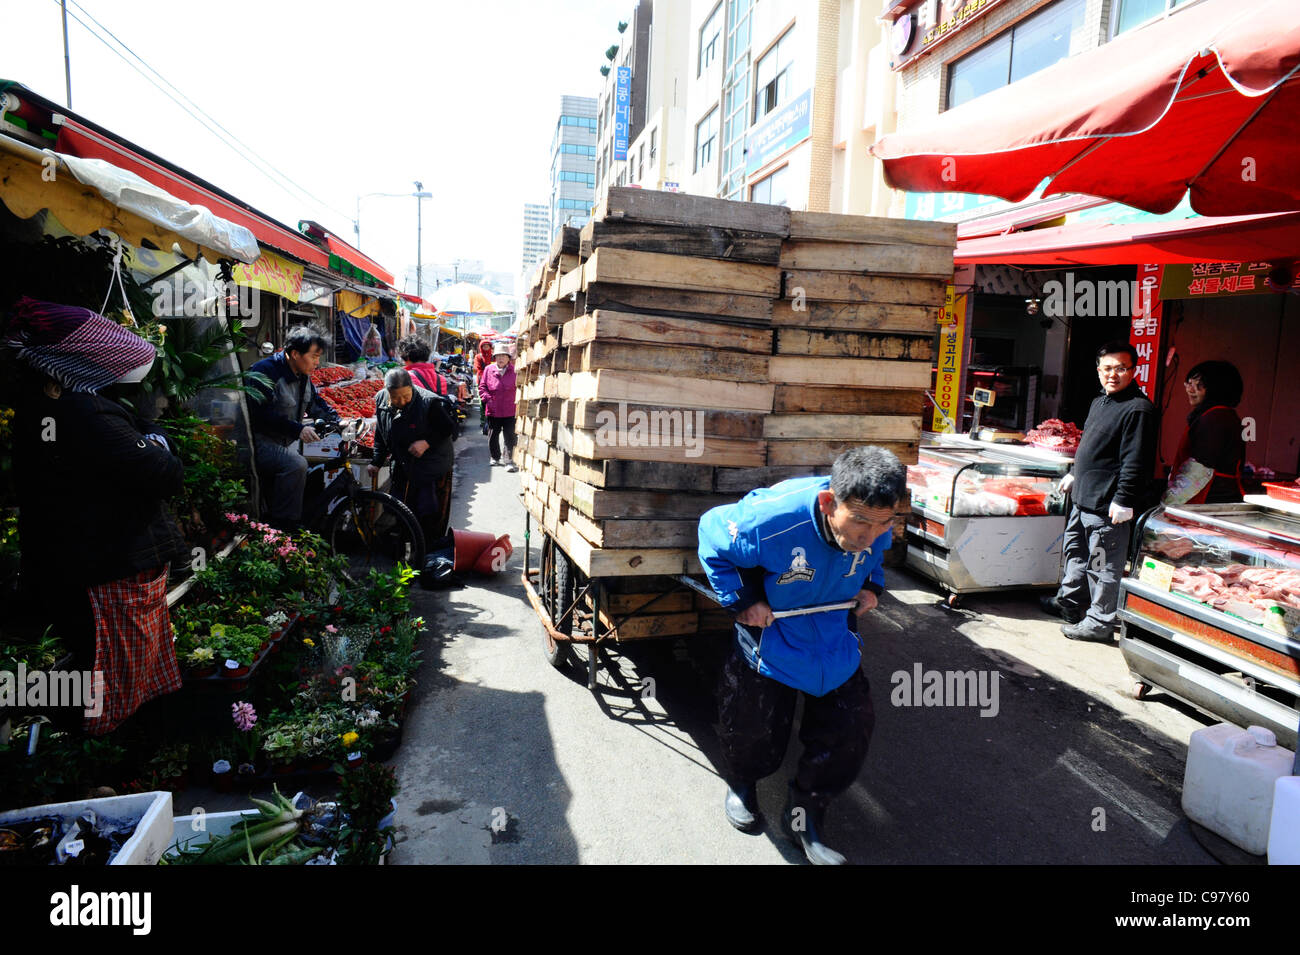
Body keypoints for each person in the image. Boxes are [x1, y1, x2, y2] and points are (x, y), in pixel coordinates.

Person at [697, 446, 907, 865]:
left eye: (883, 523)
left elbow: (874, 557)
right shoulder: (769, 520)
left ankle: (806, 814)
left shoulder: (877, 524)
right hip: (773, 632)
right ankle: (742, 783)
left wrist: (872, 588)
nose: (870, 534)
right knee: (752, 725)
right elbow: (711, 534)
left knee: (849, 729)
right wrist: (742, 600)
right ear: (829, 502)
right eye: (860, 521)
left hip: (833, 636)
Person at [7, 297, 188, 735]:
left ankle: (105, 762)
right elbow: (161, 471)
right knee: (112, 677)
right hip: (104, 566)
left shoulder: (51, 409)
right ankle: (107, 766)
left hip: (83, 564)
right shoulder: (83, 413)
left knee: (108, 671)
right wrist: (158, 441)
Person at [1041, 341, 1156, 642]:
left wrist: (1124, 500)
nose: (1113, 374)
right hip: (1083, 500)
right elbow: (1092, 448)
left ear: (1134, 370)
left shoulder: (1138, 409)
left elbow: (1136, 460)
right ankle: (1069, 602)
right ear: (1098, 370)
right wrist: (1075, 474)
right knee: (1075, 554)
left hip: (1108, 506)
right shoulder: (1099, 402)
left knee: (1101, 564)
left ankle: (1100, 621)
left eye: (1121, 368)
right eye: (1107, 368)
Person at [246, 325, 340, 529]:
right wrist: (297, 429)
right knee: (295, 464)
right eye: (314, 356)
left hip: (286, 441)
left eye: (319, 357)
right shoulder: (264, 371)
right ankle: (284, 526)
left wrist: (338, 419)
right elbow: (260, 414)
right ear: (295, 354)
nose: (317, 362)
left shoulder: (303, 374)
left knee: (311, 468)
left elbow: (315, 403)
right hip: (258, 443)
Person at [368, 368, 457, 551]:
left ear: (412, 388)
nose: (401, 402)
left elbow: (449, 429)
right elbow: (381, 433)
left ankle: (426, 552)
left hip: (430, 465)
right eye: (395, 397)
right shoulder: (381, 400)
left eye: (406, 396)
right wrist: (376, 461)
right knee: (399, 507)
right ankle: (407, 548)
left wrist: (426, 442)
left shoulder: (428, 402)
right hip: (403, 462)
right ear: (387, 392)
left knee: (427, 510)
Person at [1162, 360, 1245, 505]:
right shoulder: (1221, 415)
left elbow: (1199, 470)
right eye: (1189, 384)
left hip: (1210, 501)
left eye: (1199, 386)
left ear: (1217, 389)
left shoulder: (1215, 417)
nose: (1190, 390)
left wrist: (1169, 504)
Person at [480, 341, 518, 471]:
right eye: (498, 356)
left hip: (510, 409)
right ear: (495, 357)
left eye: (504, 355)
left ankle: (508, 460)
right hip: (493, 410)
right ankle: (495, 457)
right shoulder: (488, 370)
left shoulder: (515, 371)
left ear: (508, 358)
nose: (501, 358)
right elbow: (482, 387)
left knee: (509, 436)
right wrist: (488, 399)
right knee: (493, 435)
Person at [472, 337, 495, 435]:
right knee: (482, 401)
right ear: (481, 347)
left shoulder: (493, 356)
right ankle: (483, 420)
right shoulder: (478, 357)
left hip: (494, 381)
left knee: (493, 400)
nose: (486, 347)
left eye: (487, 346)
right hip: (482, 381)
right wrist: (485, 378)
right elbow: (478, 369)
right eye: (484, 346)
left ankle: (491, 419)